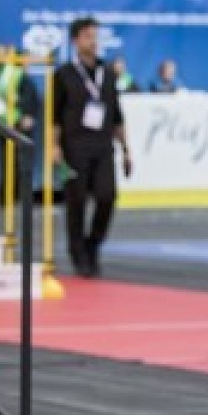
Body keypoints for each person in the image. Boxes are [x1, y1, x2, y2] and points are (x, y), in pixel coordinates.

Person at [52, 17, 132, 277]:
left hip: (103, 145)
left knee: (107, 196)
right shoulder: (64, 74)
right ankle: (78, 253)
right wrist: (54, 146)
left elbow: (116, 115)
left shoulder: (107, 73)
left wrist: (126, 149)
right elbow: (54, 116)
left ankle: (93, 243)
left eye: (95, 36)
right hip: (74, 146)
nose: (93, 41)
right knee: (76, 201)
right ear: (75, 41)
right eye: (88, 36)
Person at [0, 44, 41, 202]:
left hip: (13, 123)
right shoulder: (1, 73)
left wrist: (26, 115)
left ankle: (12, 194)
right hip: (0, 121)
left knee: (14, 162)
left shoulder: (17, 74)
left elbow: (30, 98)